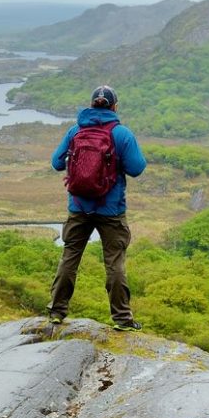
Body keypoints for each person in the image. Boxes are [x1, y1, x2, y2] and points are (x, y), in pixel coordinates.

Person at [47, 84, 146, 330]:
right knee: (114, 263)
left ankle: (57, 312)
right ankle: (122, 319)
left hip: (78, 207)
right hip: (111, 210)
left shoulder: (75, 131)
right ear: (115, 107)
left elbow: (56, 163)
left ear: (91, 105)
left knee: (70, 257)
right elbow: (137, 168)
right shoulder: (121, 134)